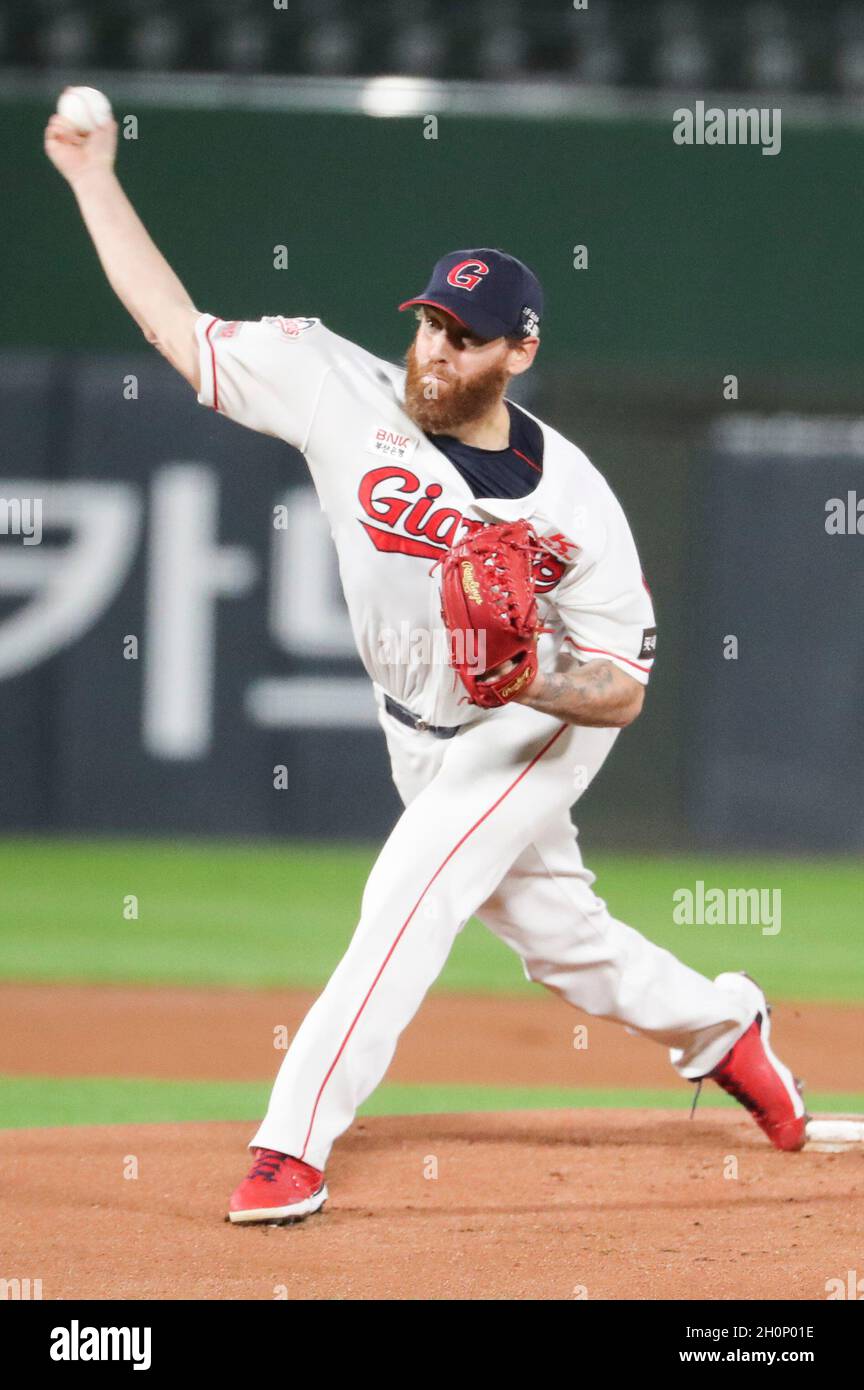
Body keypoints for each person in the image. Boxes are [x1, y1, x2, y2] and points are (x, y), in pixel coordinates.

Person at [45, 107, 808, 1227]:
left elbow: (624, 688)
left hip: (529, 721)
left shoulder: (578, 503)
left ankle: (290, 1145)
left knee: (407, 893)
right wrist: (91, 175)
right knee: (563, 943)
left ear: (520, 350)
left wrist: (527, 683)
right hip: (418, 726)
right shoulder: (333, 383)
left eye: (465, 334)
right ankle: (726, 1029)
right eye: (429, 323)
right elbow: (174, 322)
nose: (435, 350)